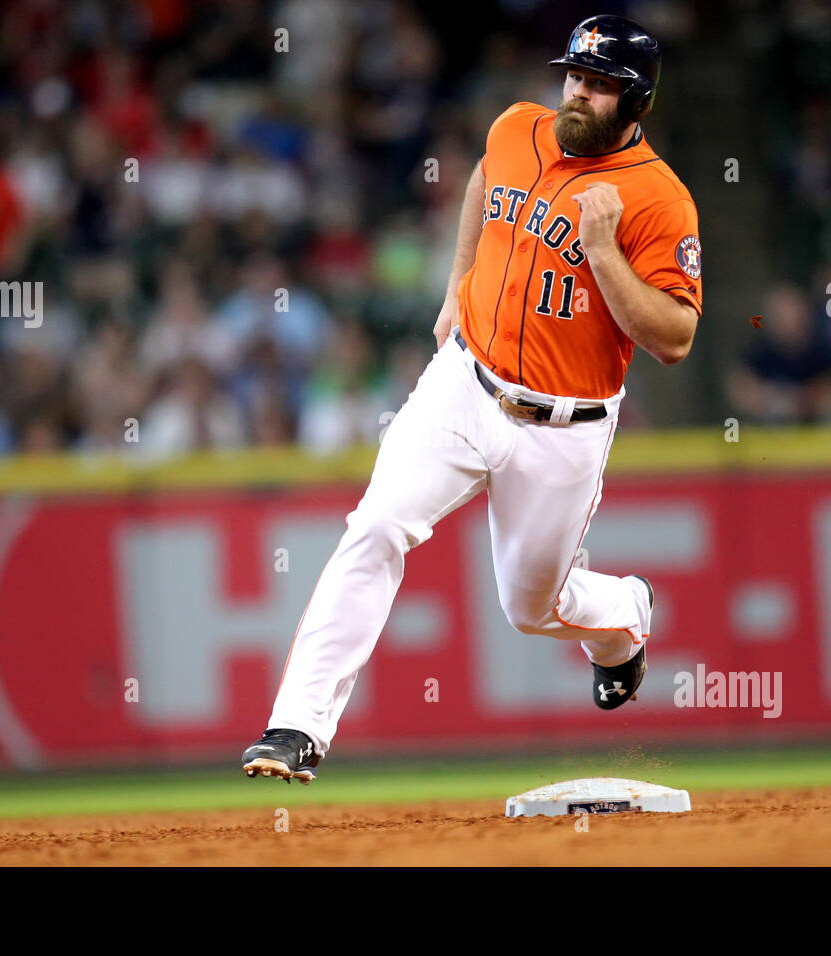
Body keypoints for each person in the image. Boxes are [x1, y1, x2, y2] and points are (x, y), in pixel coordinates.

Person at [242, 15, 702, 783]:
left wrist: (603, 255)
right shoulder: (518, 129)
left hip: (565, 424)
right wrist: (460, 280)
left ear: (637, 102)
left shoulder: (660, 200)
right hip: (465, 383)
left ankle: (624, 616)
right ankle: (296, 727)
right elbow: (487, 186)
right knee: (378, 525)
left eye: (600, 86)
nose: (579, 95)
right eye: (575, 77)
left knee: (531, 610)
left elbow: (676, 335)